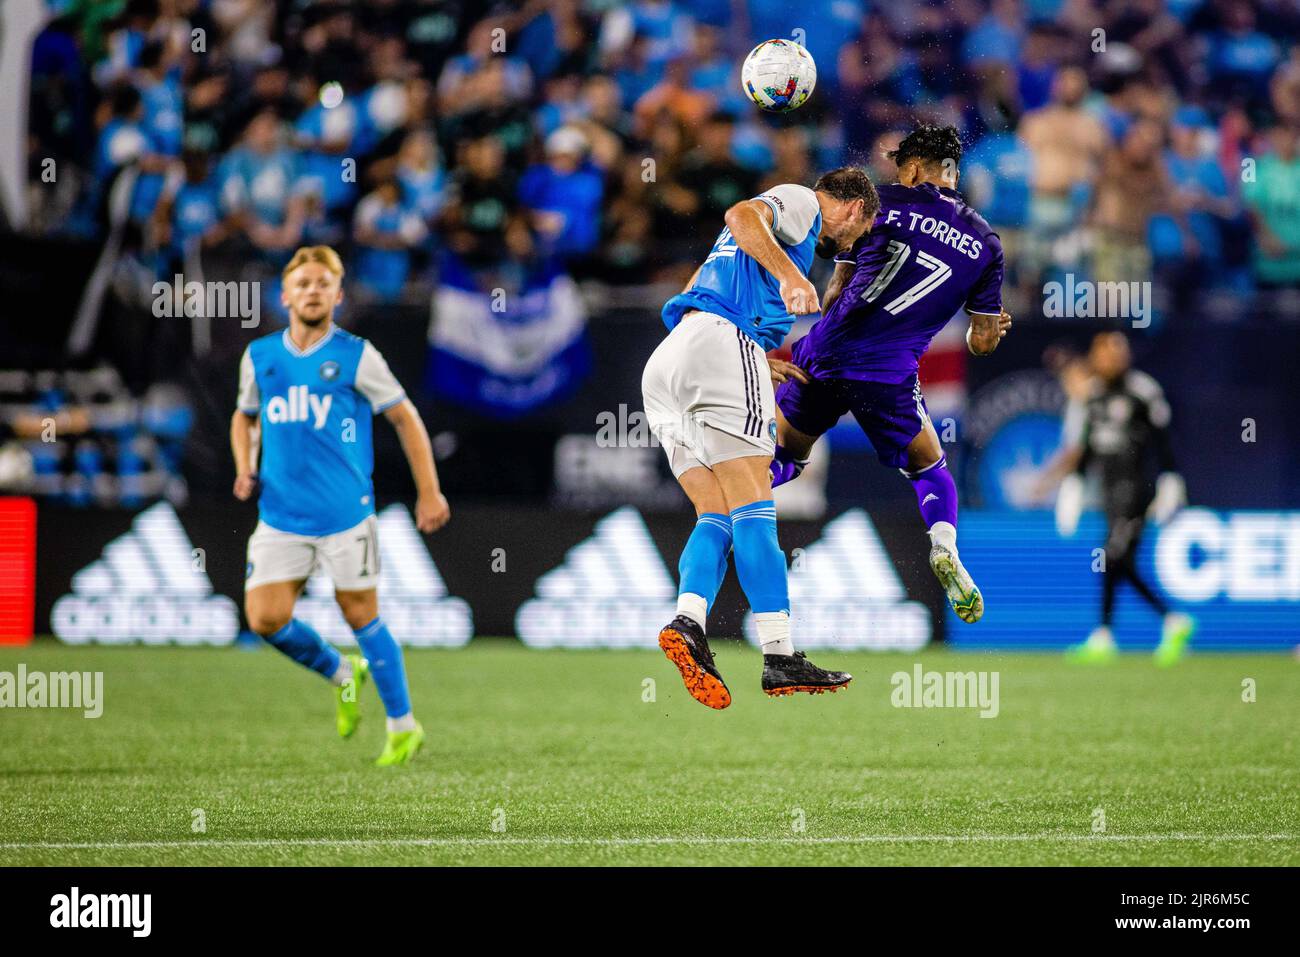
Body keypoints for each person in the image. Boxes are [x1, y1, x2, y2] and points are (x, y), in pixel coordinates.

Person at [641, 169, 877, 709]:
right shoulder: (804, 203)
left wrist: (737, 359)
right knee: (754, 508)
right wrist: (788, 283)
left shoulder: (755, 244)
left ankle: (689, 621)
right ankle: (779, 652)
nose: (848, 244)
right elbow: (740, 214)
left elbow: (705, 285)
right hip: (723, 343)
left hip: (672, 358)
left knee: (714, 515)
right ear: (853, 207)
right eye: (857, 231)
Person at [769, 125, 1011, 624]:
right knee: (928, 466)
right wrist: (990, 329)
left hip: (824, 353)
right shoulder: (987, 244)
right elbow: (981, 344)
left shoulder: (876, 204)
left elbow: (835, 288)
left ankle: (730, 506)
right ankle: (943, 544)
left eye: (901, 163)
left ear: (916, 168)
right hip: (888, 373)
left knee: (786, 454)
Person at [231, 245, 450, 763]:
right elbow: (244, 416)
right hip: (281, 515)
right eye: (303, 283)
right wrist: (245, 465)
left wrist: (430, 490)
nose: (313, 291)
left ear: (338, 294)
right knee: (264, 618)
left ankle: (402, 725)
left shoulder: (356, 354)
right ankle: (341, 672)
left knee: (360, 614)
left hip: (345, 515)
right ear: (285, 294)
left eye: (323, 284)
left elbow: (405, 418)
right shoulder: (261, 357)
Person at [1050, 331, 1194, 666]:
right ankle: (1111, 634)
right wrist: (1073, 486)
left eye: (1117, 352)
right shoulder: (1093, 396)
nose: (1111, 359)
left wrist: (1171, 481)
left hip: (1138, 490)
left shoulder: (1143, 392)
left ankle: (1156, 623)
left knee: (1112, 556)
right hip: (1109, 494)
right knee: (1115, 561)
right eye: (1104, 353)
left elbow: (1164, 442)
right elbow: (1086, 446)